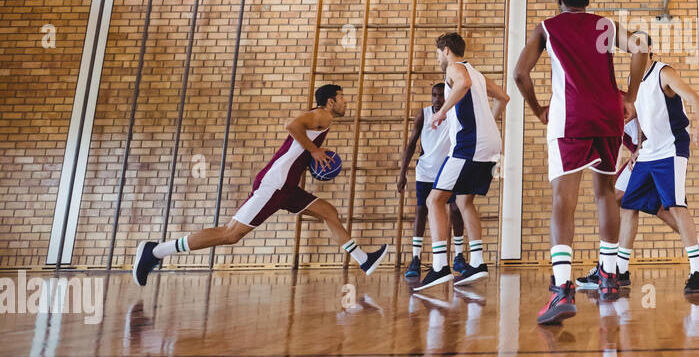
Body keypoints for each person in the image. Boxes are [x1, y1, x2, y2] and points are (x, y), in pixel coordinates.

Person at [132, 84, 386, 286]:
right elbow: (291, 126)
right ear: (330, 101)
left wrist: (309, 156)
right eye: (342, 97)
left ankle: (363, 260)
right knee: (230, 234)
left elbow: (296, 145)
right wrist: (315, 151)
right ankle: (155, 252)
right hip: (275, 185)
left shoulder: (320, 119)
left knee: (328, 212)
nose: (345, 102)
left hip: (287, 188)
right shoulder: (323, 115)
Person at [512, 0, 649, 324]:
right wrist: (630, 97)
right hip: (608, 115)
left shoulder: (547, 27)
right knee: (605, 193)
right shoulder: (605, 24)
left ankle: (562, 288)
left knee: (563, 199)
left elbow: (520, 74)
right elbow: (641, 47)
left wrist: (536, 107)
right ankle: (609, 275)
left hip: (570, 118)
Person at [575, 82, 699, 290]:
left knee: (618, 198)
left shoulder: (613, 97)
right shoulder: (591, 105)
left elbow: (640, 113)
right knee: (652, 205)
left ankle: (610, 266)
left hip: (650, 151)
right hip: (644, 152)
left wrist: (639, 145)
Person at [611, 32, 699, 294]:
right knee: (628, 203)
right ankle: (621, 270)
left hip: (671, 149)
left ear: (648, 52)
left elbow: (695, 99)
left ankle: (696, 272)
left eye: (638, 47)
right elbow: (644, 118)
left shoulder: (664, 73)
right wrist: (638, 147)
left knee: (676, 205)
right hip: (648, 152)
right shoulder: (634, 81)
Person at [413, 32, 509, 291]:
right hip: (491, 147)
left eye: (437, 52)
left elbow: (462, 83)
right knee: (463, 200)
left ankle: (439, 266)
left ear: (445, 50)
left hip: (469, 145)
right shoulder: (477, 73)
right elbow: (504, 97)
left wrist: (441, 113)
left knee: (434, 200)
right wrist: (490, 122)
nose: (438, 57)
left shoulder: (456, 68)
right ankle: (477, 262)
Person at [397, 83, 467, 279]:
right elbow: (411, 144)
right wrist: (402, 173)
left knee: (455, 209)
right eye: (434, 95)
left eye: (440, 96)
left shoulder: (454, 114)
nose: (437, 99)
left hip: (448, 170)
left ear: (447, 97)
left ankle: (459, 256)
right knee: (421, 210)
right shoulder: (424, 114)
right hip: (425, 171)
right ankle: (416, 258)